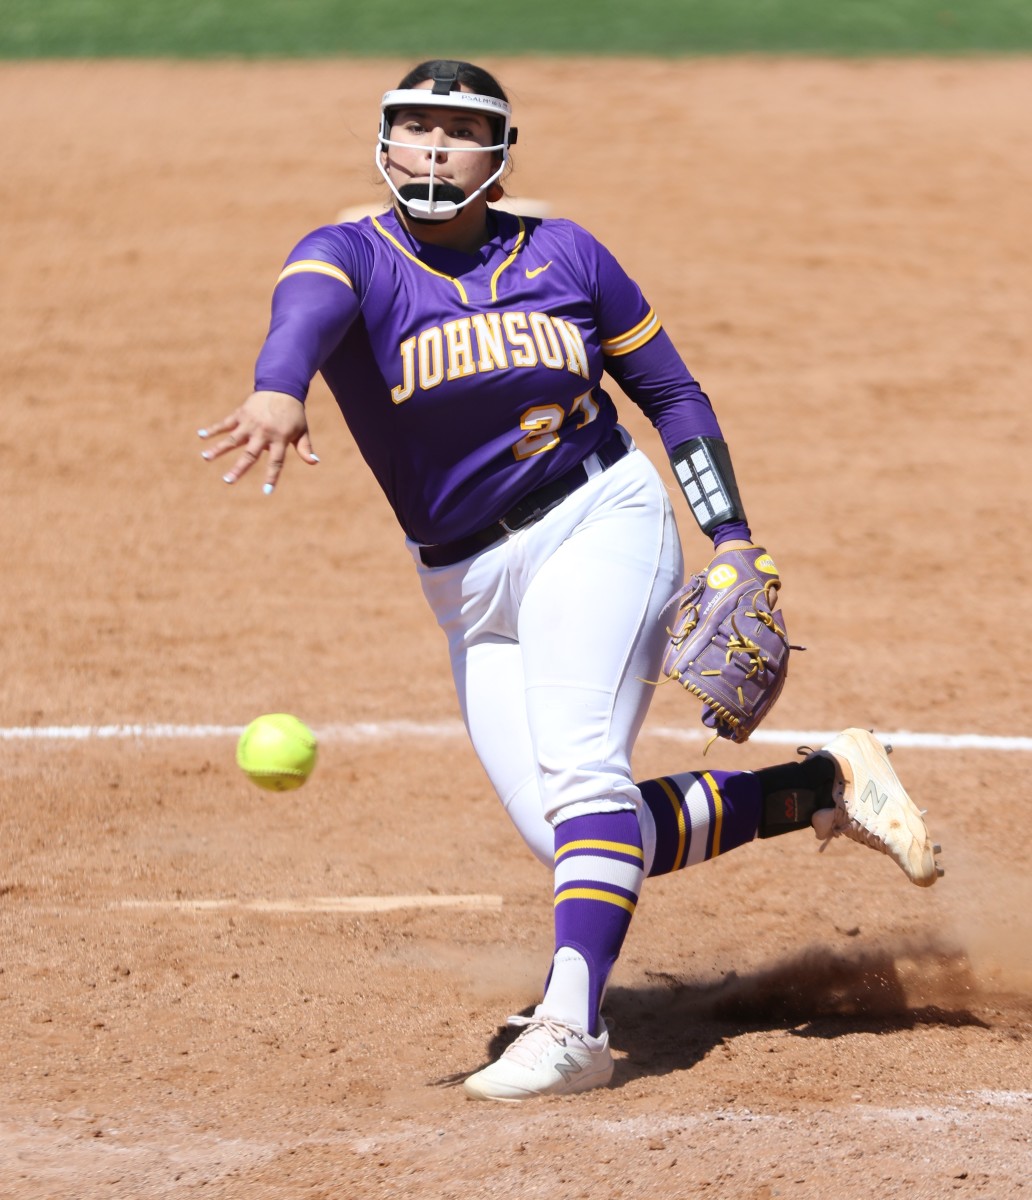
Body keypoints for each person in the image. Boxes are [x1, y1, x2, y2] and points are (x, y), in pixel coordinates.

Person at [199, 60, 942, 1102]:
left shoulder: (568, 255)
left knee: (587, 774)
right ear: (383, 144)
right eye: (414, 127)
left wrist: (732, 537)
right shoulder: (349, 257)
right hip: (462, 582)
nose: (435, 147)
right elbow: (304, 314)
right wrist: (278, 388)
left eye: (459, 130)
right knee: (580, 834)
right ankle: (823, 785)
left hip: (598, 519)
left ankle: (572, 1026)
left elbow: (672, 394)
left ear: (499, 155)